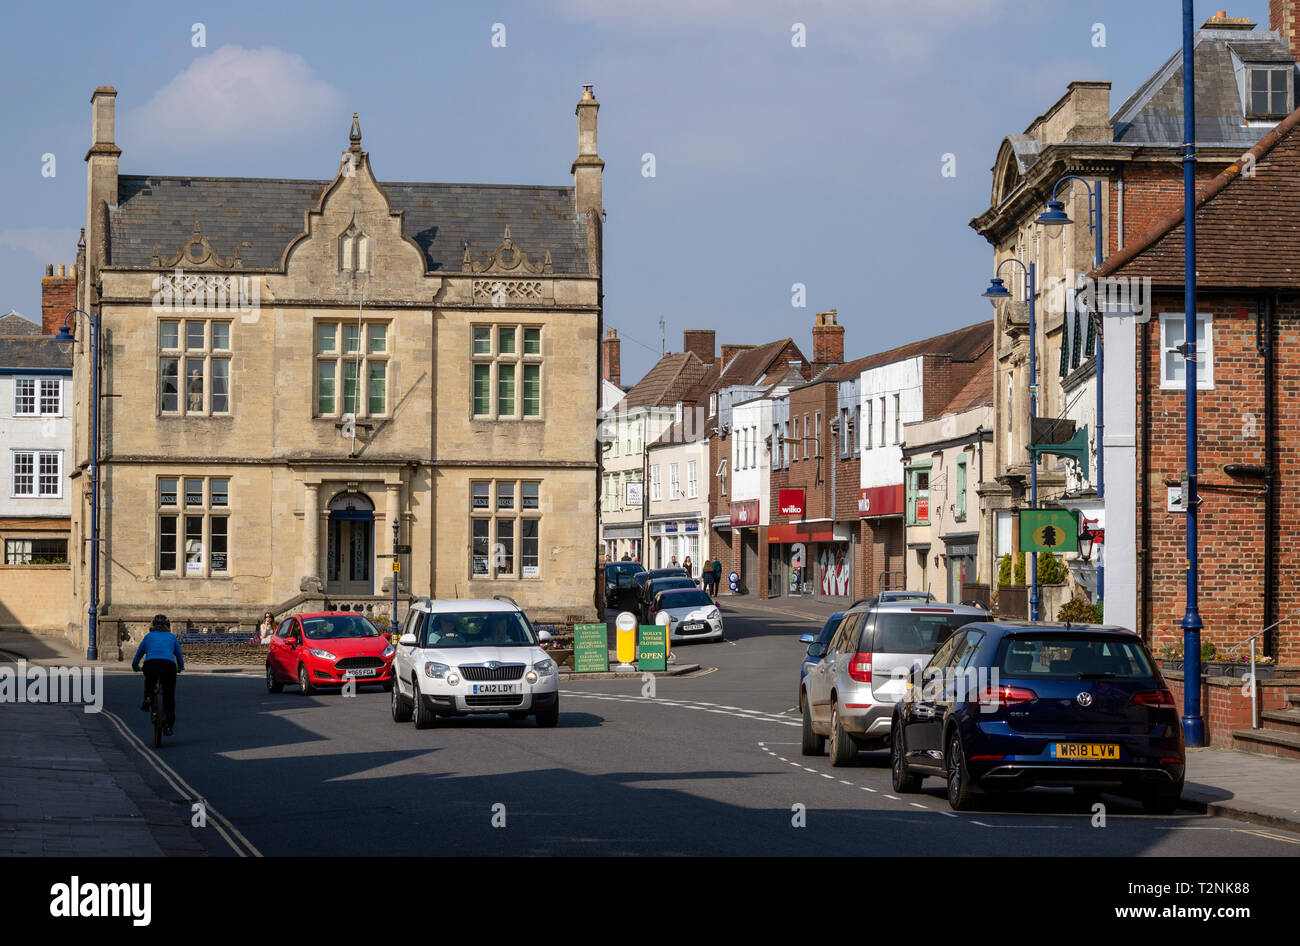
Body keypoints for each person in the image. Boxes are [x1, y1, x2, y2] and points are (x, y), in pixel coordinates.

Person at [132, 614, 184, 735]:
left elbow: (139, 653)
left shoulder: (148, 636)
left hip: (151, 664)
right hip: (168, 665)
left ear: (153, 626)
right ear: (168, 626)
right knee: (169, 697)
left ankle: (148, 698)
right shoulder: (172, 637)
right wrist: (180, 666)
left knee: (149, 680)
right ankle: (168, 727)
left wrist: (135, 666)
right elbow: (179, 655)